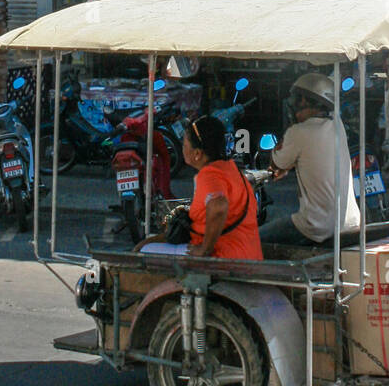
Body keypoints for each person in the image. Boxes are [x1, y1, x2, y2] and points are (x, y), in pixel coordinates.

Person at [257, 72, 361, 247]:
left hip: (317, 227)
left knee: (254, 239)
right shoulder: (337, 124)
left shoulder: (298, 132)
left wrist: (283, 163)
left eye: (297, 100)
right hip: (350, 222)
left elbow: (277, 164)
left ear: (304, 102)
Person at [141, 114, 261, 259]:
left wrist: (204, 249)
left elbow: (218, 206)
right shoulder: (231, 169)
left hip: (225, 256)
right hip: (247, 253)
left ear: (197, 153)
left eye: (184, 145)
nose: (182, 148)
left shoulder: (209, 175)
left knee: (144, 250)